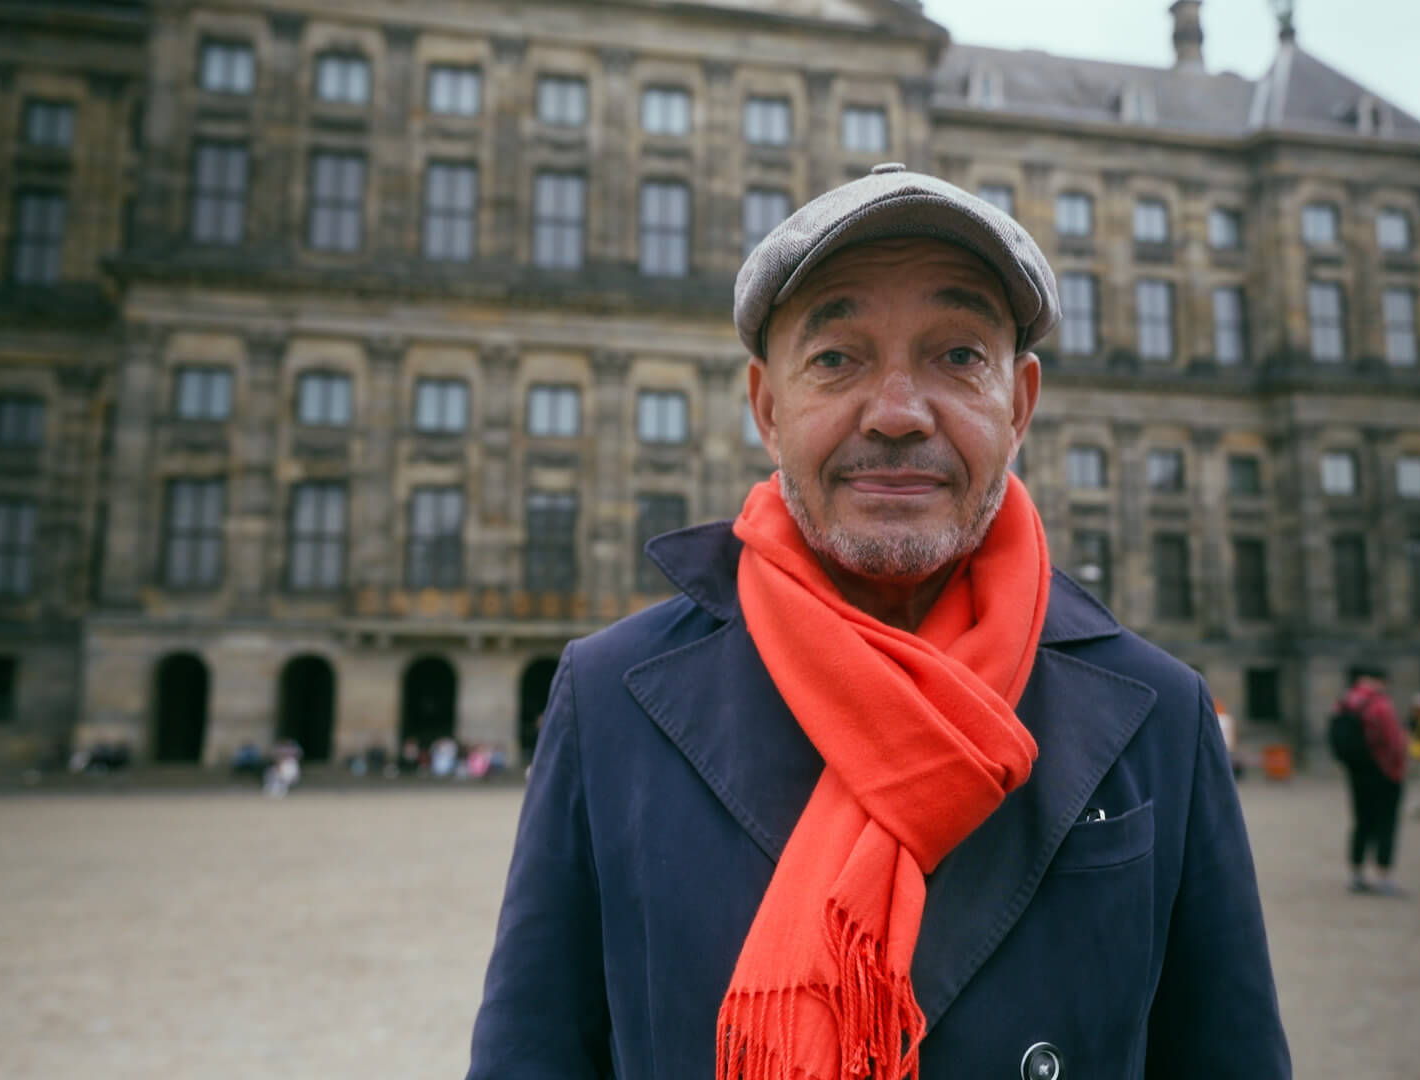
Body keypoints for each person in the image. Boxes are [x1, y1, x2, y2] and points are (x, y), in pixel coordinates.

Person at [469, 166, 1289, 1078]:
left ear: (1018, 404)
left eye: (958, 355)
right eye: (836, 358)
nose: (897, 414)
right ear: (767, 407)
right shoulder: (609, 700)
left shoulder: (1163, 715)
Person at [1335, 666, 1409, 896]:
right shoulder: (1380, 704)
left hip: (1358, 771)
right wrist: (1398, 767)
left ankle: (1356, 874)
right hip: (1383, 772)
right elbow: (1393, 741)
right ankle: (1384, 876)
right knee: (1386, 823)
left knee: (1361, 822)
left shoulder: (1345, 702)